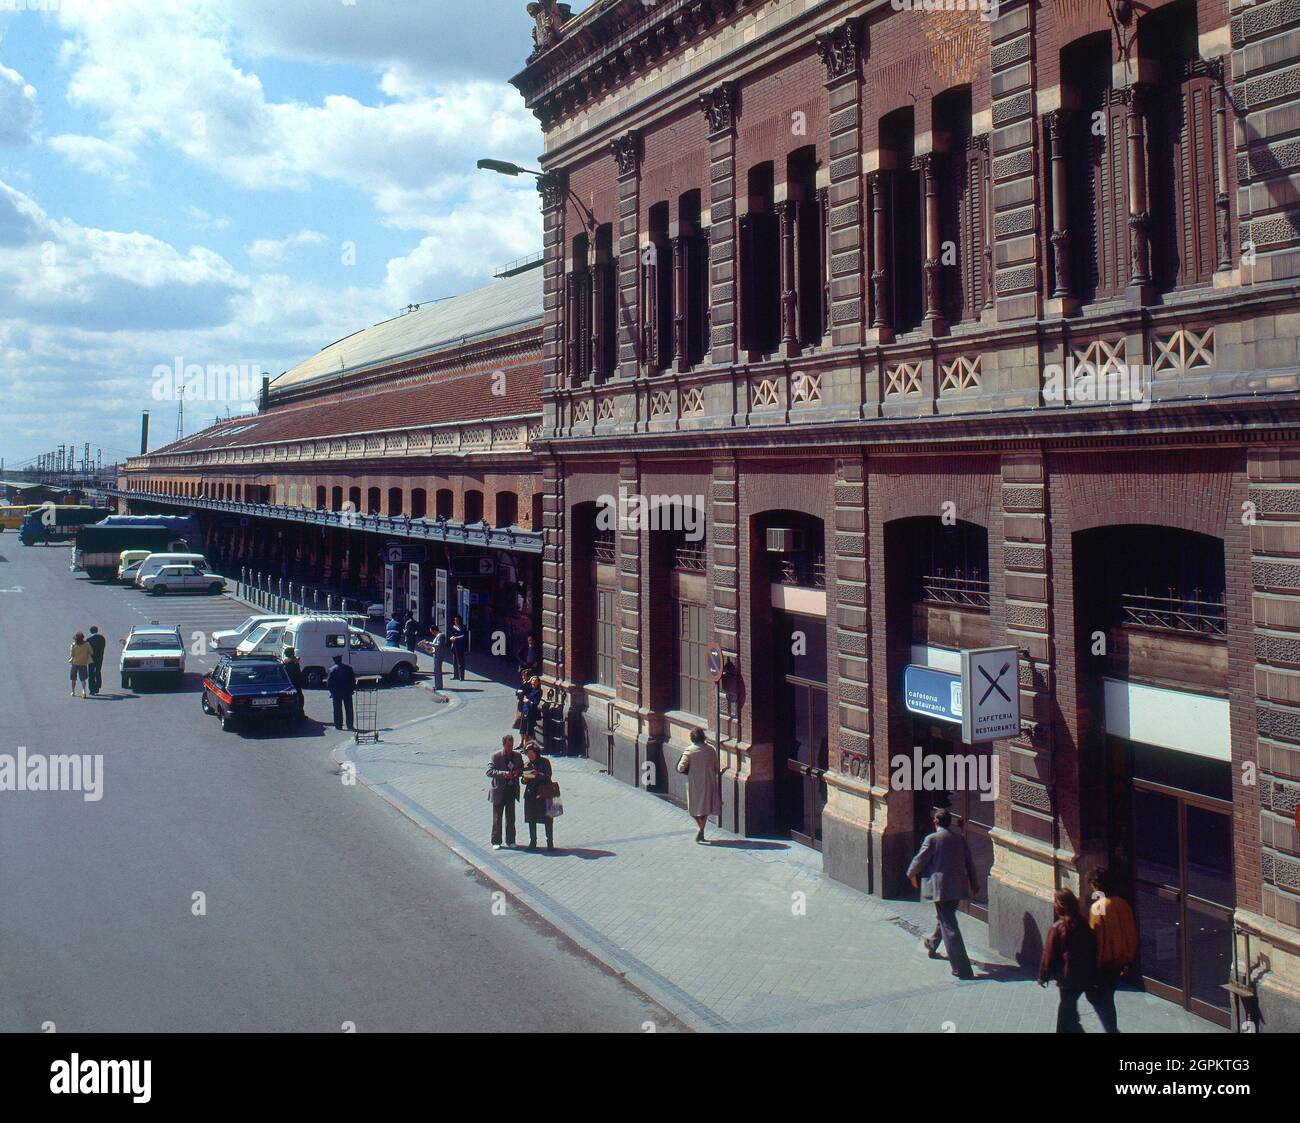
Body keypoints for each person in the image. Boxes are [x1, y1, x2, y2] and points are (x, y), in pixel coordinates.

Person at [907, 807, 980, 980]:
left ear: (936, 822)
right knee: (945, 918)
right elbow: (969, 863)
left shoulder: (932, 839)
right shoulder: (959, 838)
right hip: (958, 887)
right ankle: (932, 944)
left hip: (941, 889)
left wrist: (910, 874)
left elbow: (920, 859)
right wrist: (975, 884)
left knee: (949, 925)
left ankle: (962, 968)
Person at [1086, 868, 1138, 1033]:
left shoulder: (1098, 908)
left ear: (1096, 886)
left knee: (1100, 998)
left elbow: (1096, 940)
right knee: (1108, 997)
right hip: (1121, 960)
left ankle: (1111, 1030)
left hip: (1104, 963)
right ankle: (1112, 1029)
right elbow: (1131, 934)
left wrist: (1095, 966)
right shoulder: (1122, 904)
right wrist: (1128, 958)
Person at [1038, 887, 1096, 1032]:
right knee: (1069, 1008)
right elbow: (1092, 948)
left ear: (1060, 905)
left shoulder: (1058, 927)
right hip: (1083, 976)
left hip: (1067, 977)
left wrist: (1043, 976)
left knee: (1065, 1012)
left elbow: (1048, 954)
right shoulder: (1084, 923)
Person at [675, 727, 721, 843]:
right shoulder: (711, 750)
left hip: (694, 782)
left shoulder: (689, 751)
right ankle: (701, 831)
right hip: (708, 782)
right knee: (705, 808)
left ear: (692, 738)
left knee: (693, 809)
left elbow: (680, 768)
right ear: (703, 737)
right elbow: (716, 768)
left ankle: (699, 829)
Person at [487, 734, 525, 850]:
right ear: (503, 745)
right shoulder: (496, 756)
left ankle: (511, 840)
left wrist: (517, 772)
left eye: (511, 745)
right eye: (508, 745)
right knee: (497, 818)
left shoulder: (517, 756)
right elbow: (489, 771)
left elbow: (522, 768)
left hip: (511, 790)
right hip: (499, 791)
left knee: (511, 817)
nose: (510, 748)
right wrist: (504, 774)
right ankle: (496, 841)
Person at [521, 741, 556, 852]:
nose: (529, 755)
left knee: (547, 819)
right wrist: (524, 779)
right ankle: (533, 842)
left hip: (544, 794)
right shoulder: (527, 765)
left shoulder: (545, 762)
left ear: (536, 752)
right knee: (531, 819)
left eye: (531, 753)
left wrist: (538, 774)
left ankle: (550, 842)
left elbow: (548, 776)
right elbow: (523, 779)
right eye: (527, 753)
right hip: (531, 795)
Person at [326, 654, 357, 731]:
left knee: (337, 709)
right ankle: (350, 725)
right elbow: (353, 680)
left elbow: (329, 683)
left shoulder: (332, 670)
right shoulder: (348, 668)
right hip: (347, 691)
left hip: (336, 693)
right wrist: (352, 690)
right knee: (349, 709)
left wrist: (332, 692)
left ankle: (338, 725)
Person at [282, 646, 306, 718]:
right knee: (300, 698)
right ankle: (300, 714)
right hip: (294, 683)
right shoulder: (293, 662)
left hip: (289, 683)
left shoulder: (286, 662)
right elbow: (298, 673)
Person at [69, 631, 93, 699]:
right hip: (83, 663)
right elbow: (91, 652)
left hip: (75, 663)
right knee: (83, 679)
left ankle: (73, 691)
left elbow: (71, 654)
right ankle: (84, 691)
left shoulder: (73, 645)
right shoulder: (87, 644)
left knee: (73, 678)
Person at [85, 625, 107, 696]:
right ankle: (97, 686)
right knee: (98, 671)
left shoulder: (89, 640)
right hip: (100, 657)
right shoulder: (102, 638)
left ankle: (92, 689)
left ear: (90, 631)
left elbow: (87, 650)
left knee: (91, 673)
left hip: (91, 658)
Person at [449, 615, 468, 681]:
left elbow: (464, 635)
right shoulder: (454, 627)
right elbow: (451, 634)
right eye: (455, 620)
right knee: (455, 662)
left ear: (460, 620)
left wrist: (456, 638)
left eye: (457, 620)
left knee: (461, 662)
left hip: (460, 646)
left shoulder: (463, 627)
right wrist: (451, 638)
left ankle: (461, 677)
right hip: (454, 646)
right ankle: (456, 675)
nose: (455, 621)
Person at [429, 626, 447, 692]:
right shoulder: (437, 636)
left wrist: (429, 643)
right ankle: (437, 685)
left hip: (439, 655)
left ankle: (439, 686)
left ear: (434, 630)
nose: (431, 633)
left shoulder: (440, 636)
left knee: (438, 670)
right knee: (436, 670)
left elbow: (438, 645)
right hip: (436, 654)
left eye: (431, 631)